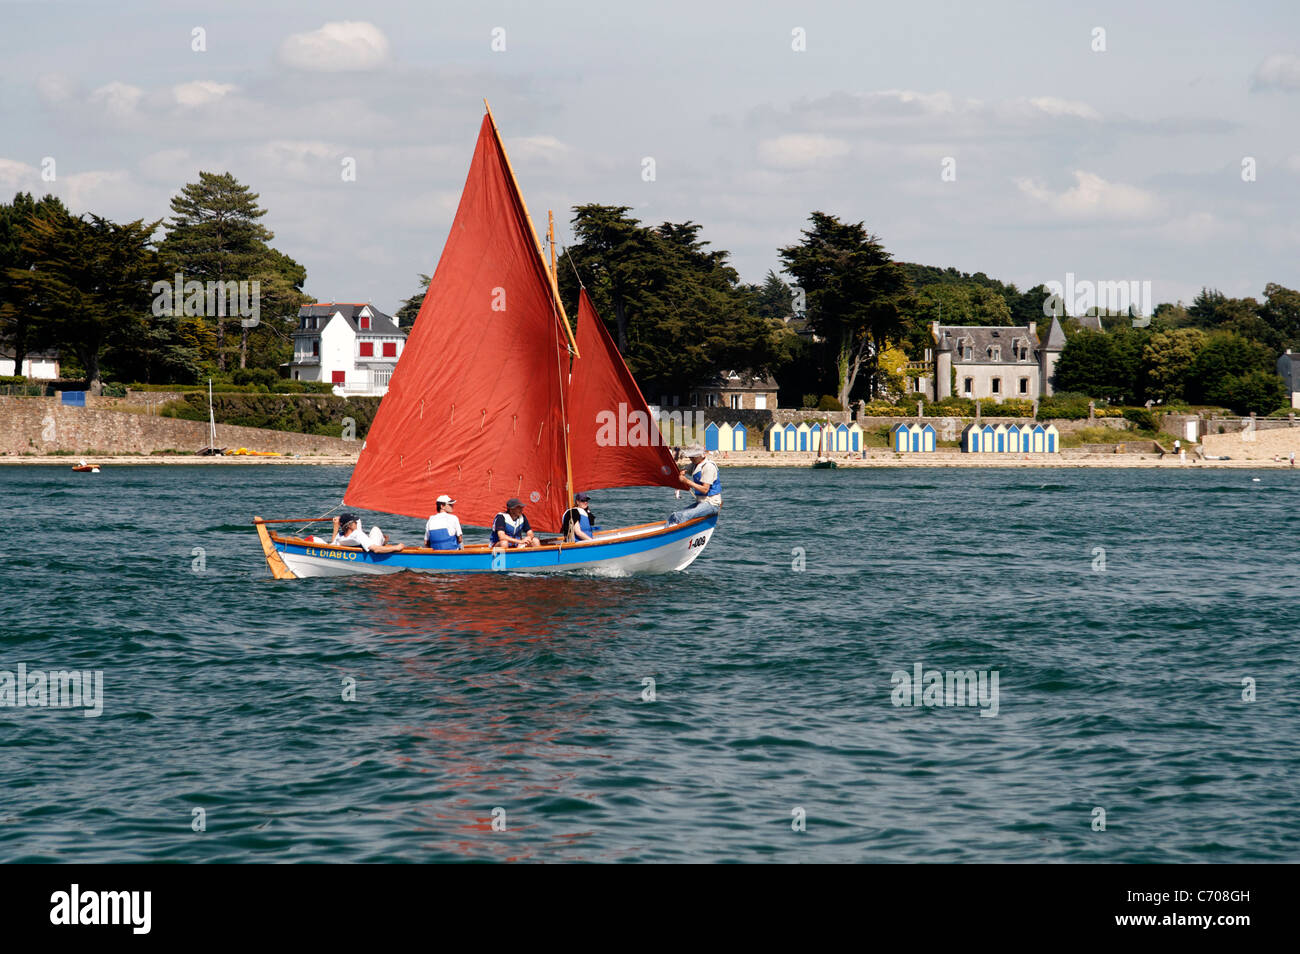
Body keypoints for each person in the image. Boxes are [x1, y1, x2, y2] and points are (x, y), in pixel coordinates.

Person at [668, 444, 722, 525]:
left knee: (683, 516)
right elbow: (684, 470)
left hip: (711, 504)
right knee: (674, 516)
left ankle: (678, 535)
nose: (691, 458)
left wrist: (687, 481)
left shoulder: (708, 467)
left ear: (700, 455)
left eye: (693, 456)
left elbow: (705, 490)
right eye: (690, 456)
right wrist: (682, 471)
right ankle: (667, 533)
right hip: (701, 502)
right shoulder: (694, 464)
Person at [331, 513, 403, 553]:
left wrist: (336, 527)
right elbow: (376, 549)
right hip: (375, 549)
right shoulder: (358, 534)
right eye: (355, 522)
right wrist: (396, 548)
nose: (357, 523)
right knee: (375, 529)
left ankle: (383, 540)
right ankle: (383, 541)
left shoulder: (340, 536)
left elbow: (332, 546)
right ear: (350, 525)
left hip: (356, 541)